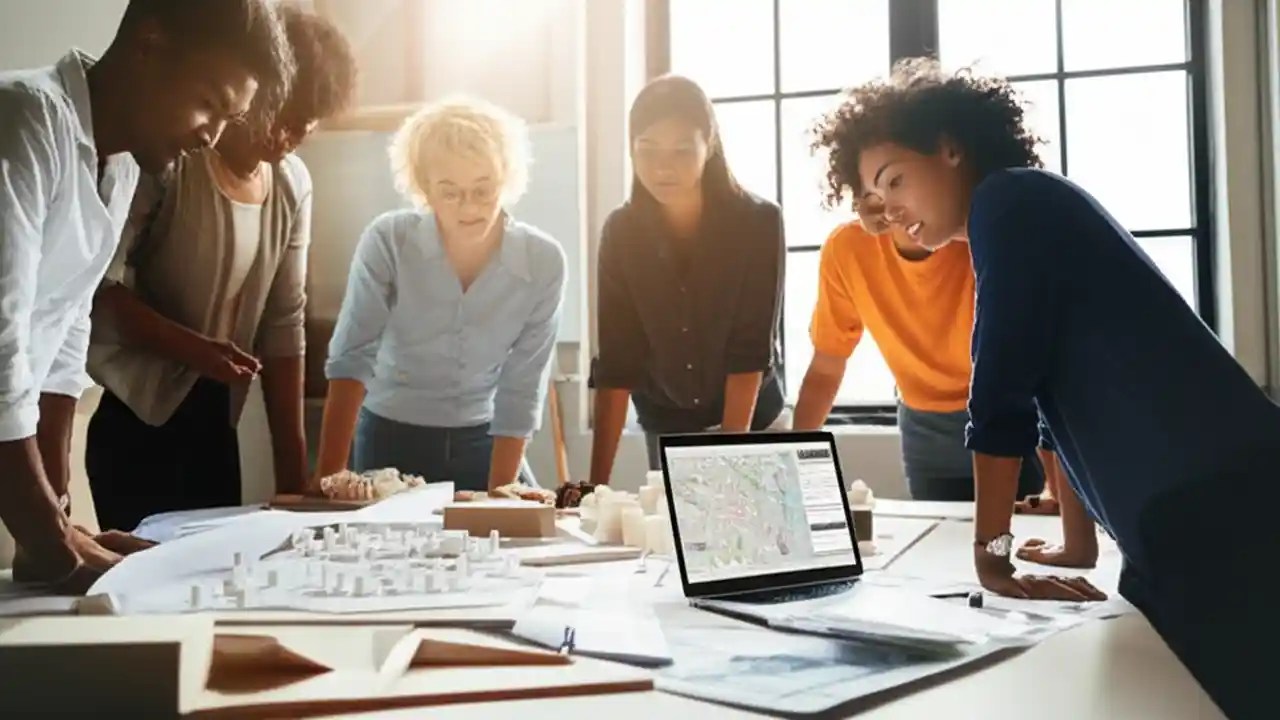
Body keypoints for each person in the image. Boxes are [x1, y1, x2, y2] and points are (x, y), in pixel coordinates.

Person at [826, 57, 1272, 718]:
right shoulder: (1021, 207)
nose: (889, 211)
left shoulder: (1007, 203)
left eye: (894, 180)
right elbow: (1045, 396)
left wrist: (992, 559)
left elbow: (1000, 387)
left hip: (1220, 508)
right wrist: (1076, 541)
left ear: (949, 148)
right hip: (1186, 515)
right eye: (875, 198)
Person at [0, 0, 292, 592]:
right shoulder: (24, 119)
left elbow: (64, 341)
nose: (211, 135)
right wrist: (55, 547)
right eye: (209, 102)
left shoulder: (125, 168)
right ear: (149, 44)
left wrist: (57, 525)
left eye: (228, 118)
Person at [84, 3, 358, 532]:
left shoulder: (291, 183)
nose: (289, 137)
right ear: (251, 95)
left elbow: (285, 323)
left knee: (219, 568)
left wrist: (293, 481)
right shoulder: (169, 155)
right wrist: (195, 349)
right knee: (148, 566)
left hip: (216, 421)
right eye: (284, 116)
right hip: (138, 415)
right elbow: (99, 288)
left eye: (305, 127)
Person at [311, 97, 566, 495]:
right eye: (450, 192)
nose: (469, 207)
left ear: (507, 180)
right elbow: (352, 356)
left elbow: (522, 386)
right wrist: (329, 477)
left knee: (514, 525)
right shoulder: (389, 241)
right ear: (425, 189)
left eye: (483, 190)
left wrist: (501, 493)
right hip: (390, 435)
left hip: (485, 439)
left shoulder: (543, 261)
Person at [791, 189, 1049, 504]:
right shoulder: (847, 248)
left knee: (1013, 531)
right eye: (870, 184)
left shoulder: (981, 236)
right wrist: (795, 462)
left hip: (1012, 421)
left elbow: (1042, 359)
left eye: (897, 180)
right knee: (939, 533)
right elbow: (825, 368)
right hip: (926, 436)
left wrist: (1059, 482)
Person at [588, 75, 786, 484]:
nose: (663, 167)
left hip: (752, 421)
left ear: (708, 144)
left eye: (681, 150)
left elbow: (750, 350)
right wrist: (594, 488)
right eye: (647, 149)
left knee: (744, 522)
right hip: (667, 424)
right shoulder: (621, 232)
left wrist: (731, 459)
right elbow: (617, 362)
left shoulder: (758, 223)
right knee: (670, 525)